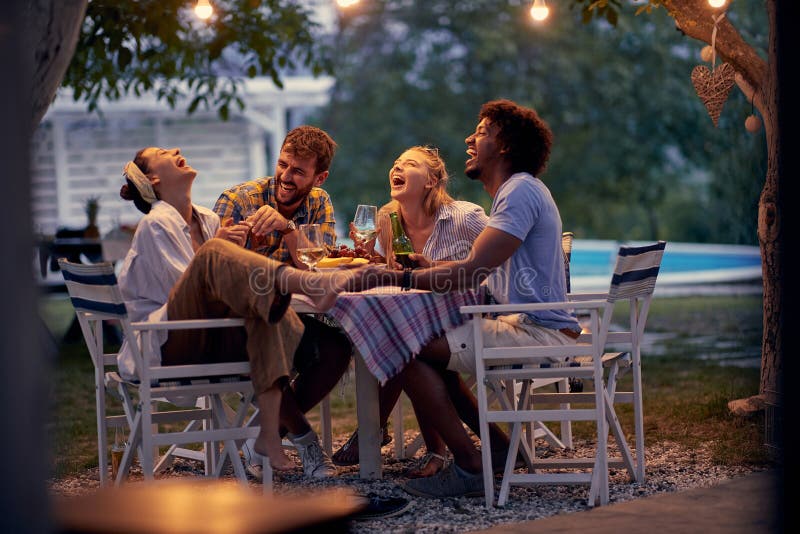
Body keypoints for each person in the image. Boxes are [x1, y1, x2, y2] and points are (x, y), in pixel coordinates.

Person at [116, 146, 378, 477]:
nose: (176, 150)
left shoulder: (207, 219)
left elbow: (215, 293)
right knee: (220, 260)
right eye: (164, 153)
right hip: (168, 343)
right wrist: (219, 253)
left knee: (312, 336)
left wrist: (231, 254)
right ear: (153, 179)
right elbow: (189, 294)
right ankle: (309, 283)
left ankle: (293, 439)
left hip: (217, 334)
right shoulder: (156, 224)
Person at [373, 100, 581, 498]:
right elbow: (480, 268)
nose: (469, 139)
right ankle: (498, 449)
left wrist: (399, 275)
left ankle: (470, 466)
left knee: (403, 346)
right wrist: (431, 265)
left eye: (482, 132)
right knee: (422, 347)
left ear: (504, 146)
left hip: (538, 332)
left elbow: (470, 272)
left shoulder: (519, 191)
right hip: (528, 324)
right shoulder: (516, 191)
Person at [332, 145, 497, 479]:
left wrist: (435, 266)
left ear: (431, 181)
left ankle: (378, 431)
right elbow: (396, 278)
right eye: (395, 163)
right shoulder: (387, 219)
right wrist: (370, 257)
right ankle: (476, 448)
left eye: (408, 164)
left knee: (403, 341)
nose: (397, 168)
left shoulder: (465, 216)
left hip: (471, 319)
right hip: (423, 321)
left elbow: (499, 261)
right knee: (404, 337)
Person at [213, 125, 353, 478]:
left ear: (319, 178)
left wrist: (288, 229)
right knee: (271, 338)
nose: (286, 176)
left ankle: (262, 437)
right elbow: (210, 273)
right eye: (282, 165)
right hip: (234, 323)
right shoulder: (239, 200)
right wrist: (224, 245)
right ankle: (308, 444)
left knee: (337, 349)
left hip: (290, 315)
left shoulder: (319, 202)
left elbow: (315, 269)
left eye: (298, 171)